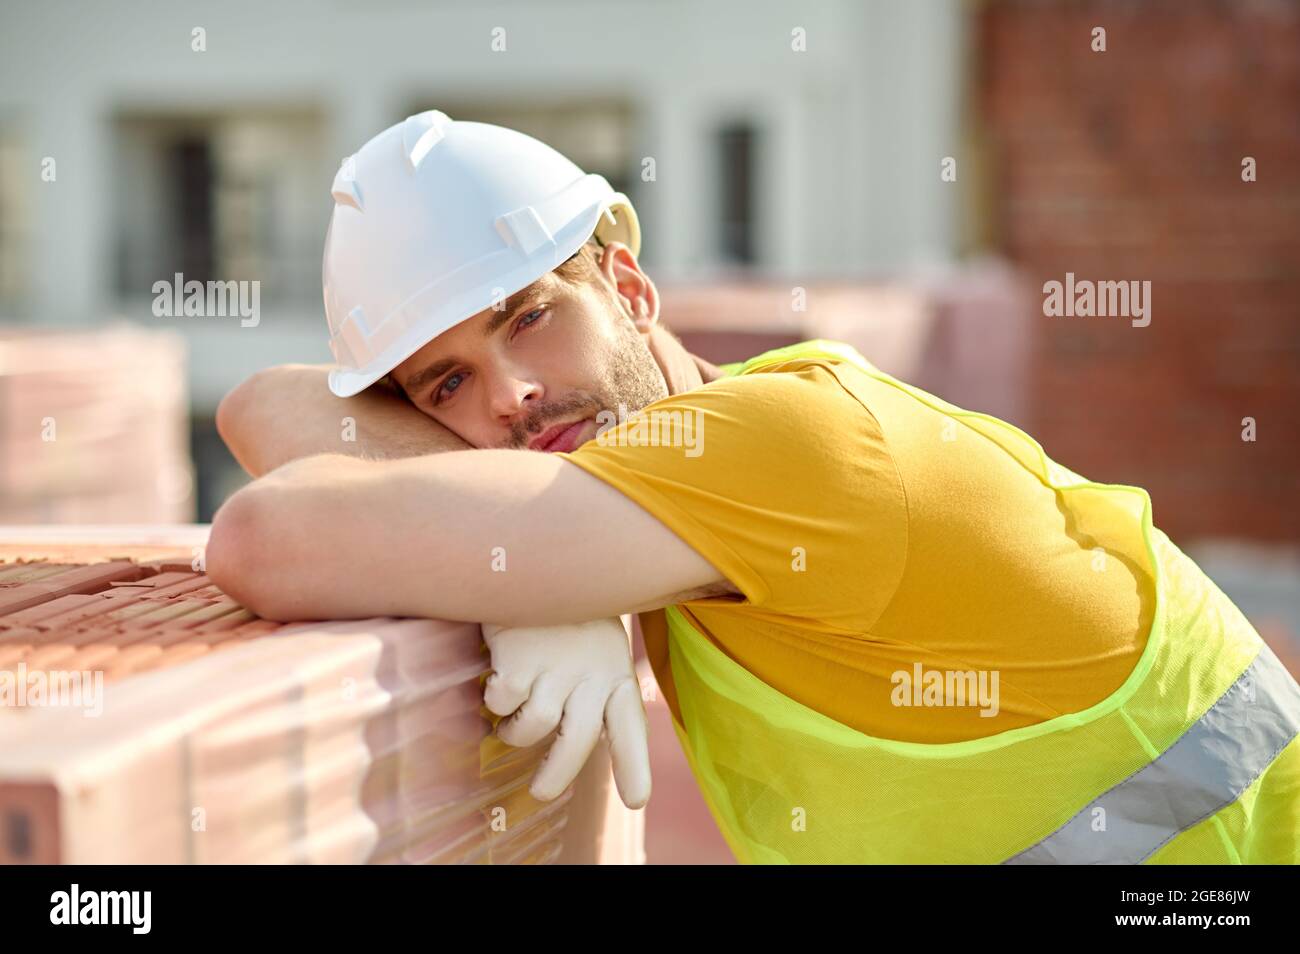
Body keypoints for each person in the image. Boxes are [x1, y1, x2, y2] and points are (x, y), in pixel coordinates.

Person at [209, 112, 1300, 864]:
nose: (514, 398)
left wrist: (526, 558)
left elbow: (263, 539)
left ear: (627, 287)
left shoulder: (786, 449)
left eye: (530, 317)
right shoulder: (669, 496)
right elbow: (259, 404)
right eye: (447, 382)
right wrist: (533, 566)